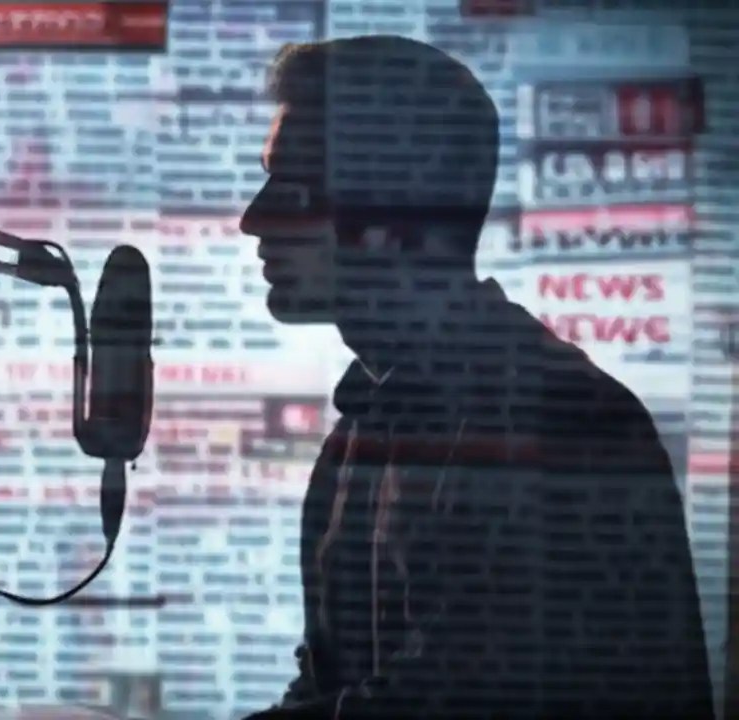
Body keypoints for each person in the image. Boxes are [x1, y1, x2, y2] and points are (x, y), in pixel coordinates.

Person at [238, 36, 713, 720]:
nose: (254, 220)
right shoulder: (364, 424)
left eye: (294, 190)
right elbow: (331, 684)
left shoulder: (555, 420)